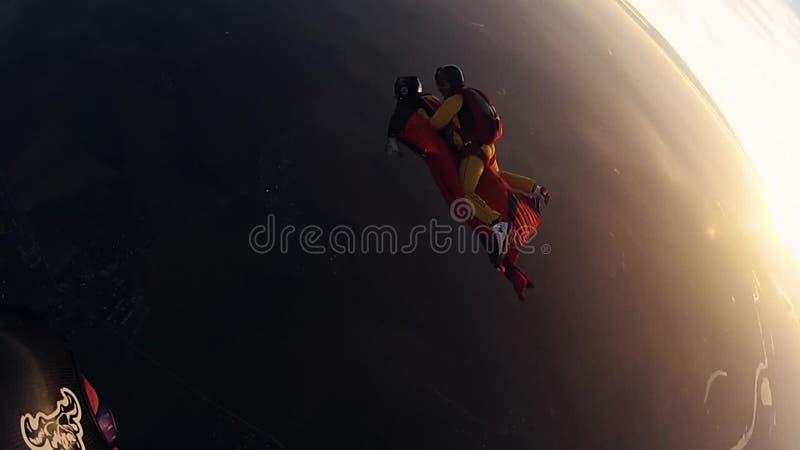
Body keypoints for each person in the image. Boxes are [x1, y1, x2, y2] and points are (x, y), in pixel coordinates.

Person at [418, 65, 550, 253]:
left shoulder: (456, 100)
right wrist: (534, 187)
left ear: (451, 83)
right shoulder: (474, 95)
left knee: (466, 195)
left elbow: (435, 123)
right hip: (488, 150)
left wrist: (422, 113)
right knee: (499, 178)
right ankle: (534, 189)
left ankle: (497, 224)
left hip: (474, 154)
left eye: (442, 83)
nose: (439, 87)